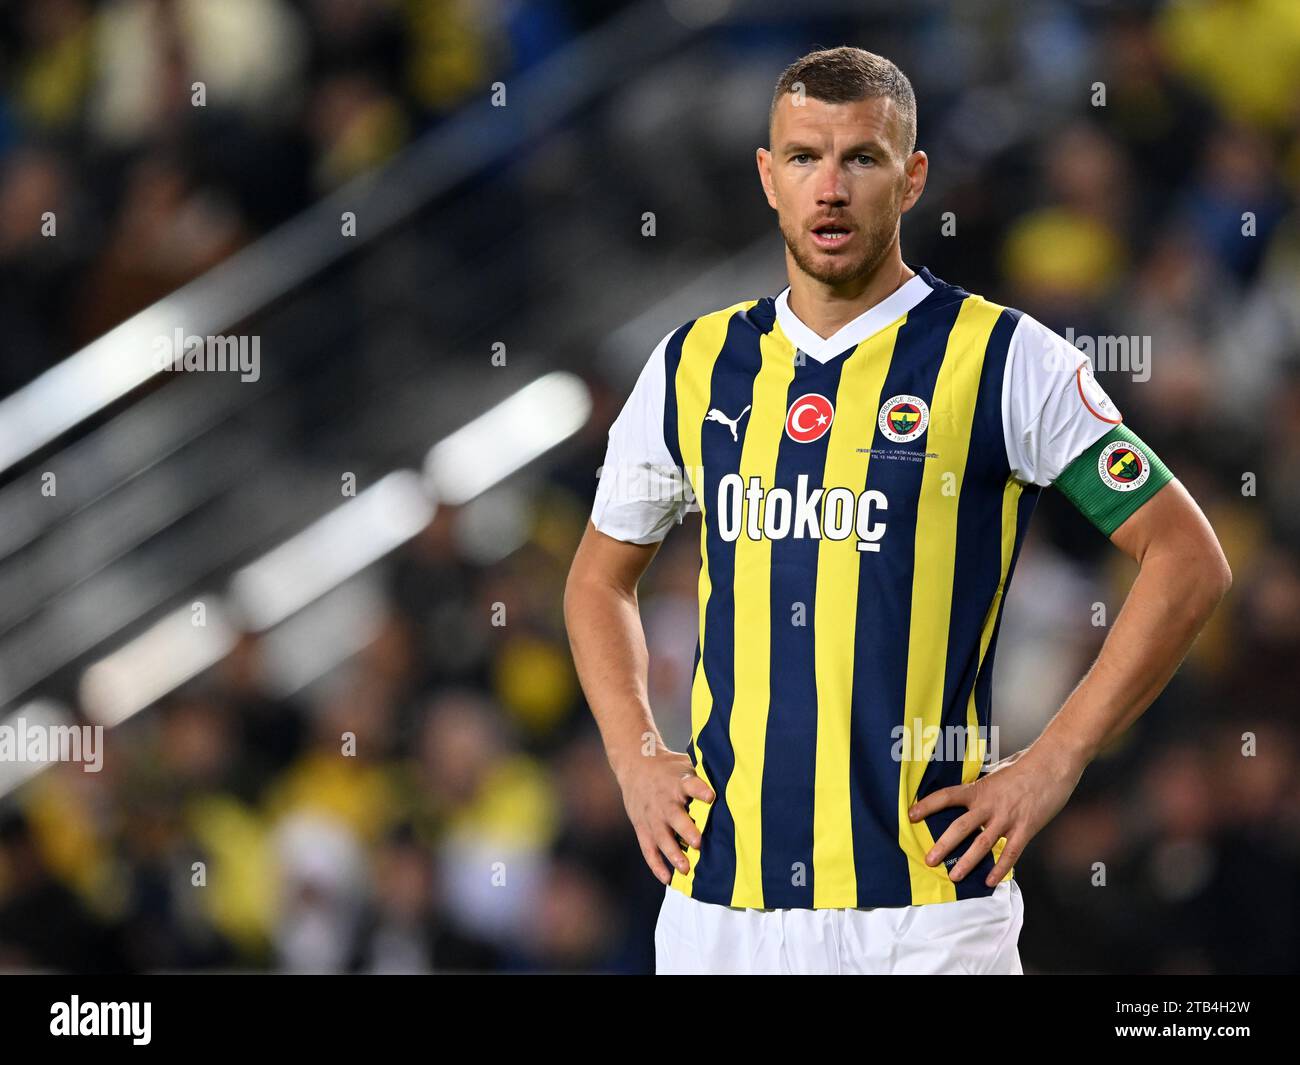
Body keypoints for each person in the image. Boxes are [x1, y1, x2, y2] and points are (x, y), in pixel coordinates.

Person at [563, 46, 1231, 975]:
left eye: (861, 159)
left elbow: (1187, 557)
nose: (828, 188)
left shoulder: (1004, 359)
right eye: (803, 157)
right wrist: (636, 755)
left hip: (924, 912)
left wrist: (1055, 760)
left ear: (912, 178)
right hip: (719, 911)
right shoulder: (693, 365)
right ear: (767, 176)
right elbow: (599, 576)